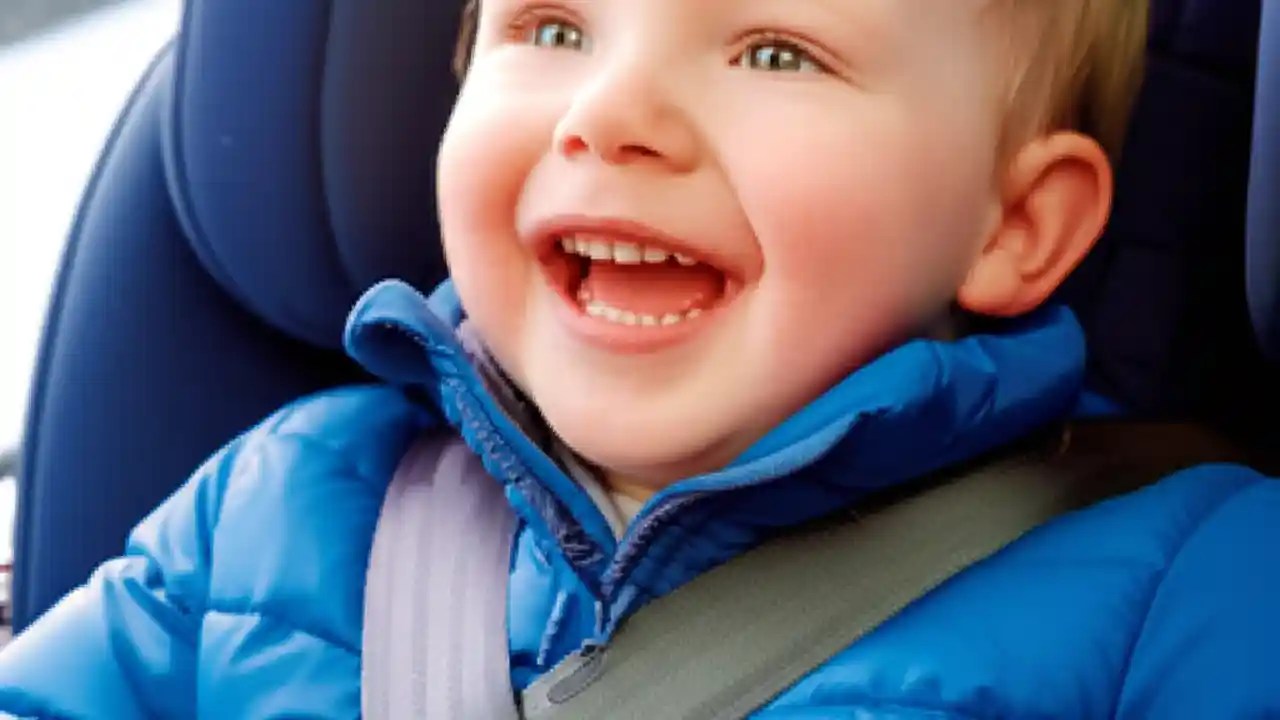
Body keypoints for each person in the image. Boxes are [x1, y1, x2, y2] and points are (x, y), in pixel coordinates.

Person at [2, 0, 1278, 716]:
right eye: (553, 27)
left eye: (774, 52)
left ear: (1013, 227)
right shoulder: (278, 502)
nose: (606, 114)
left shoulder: (1194, 582)